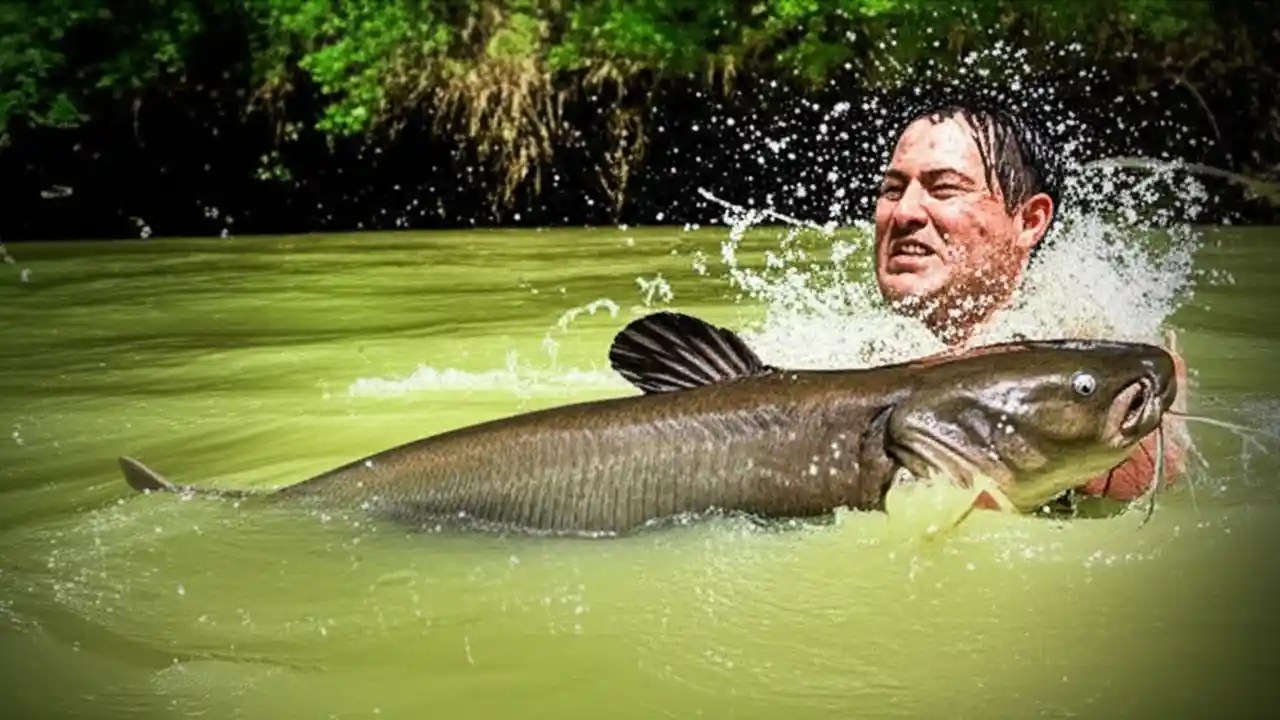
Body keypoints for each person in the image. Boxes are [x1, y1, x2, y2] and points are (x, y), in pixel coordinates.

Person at [871, 101, 1189, 507]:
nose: (904, 213)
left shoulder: (1106, 375)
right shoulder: (850, 353)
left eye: (944, 188)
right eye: (892, 190)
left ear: (1030, 221)